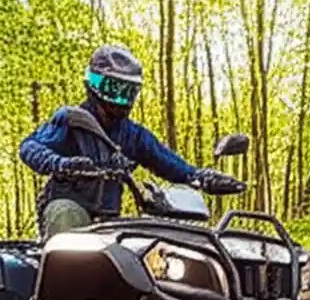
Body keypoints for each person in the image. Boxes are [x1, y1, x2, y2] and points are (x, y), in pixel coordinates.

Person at [19, 44, 243, 239]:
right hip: (68, 206)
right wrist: (59, 164)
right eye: (115, 89)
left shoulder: (133, 135)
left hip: (108, 218)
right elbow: (30, 146)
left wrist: (201, 177)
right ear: (95, 84)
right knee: (68, 218)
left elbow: (167, 162)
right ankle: (63, 286)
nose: (121, 99)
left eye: (128, 92)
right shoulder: (73, 121)